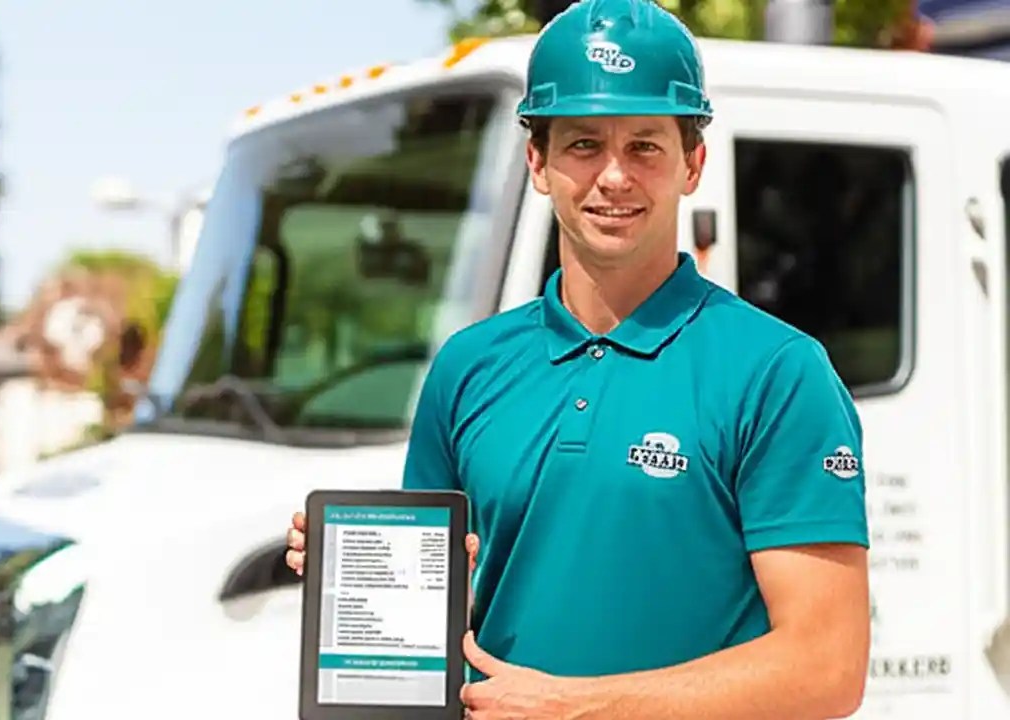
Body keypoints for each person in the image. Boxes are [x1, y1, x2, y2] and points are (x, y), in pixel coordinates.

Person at [285, 0, 871, 717]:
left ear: (693, 163)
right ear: (538, 161)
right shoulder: (467, 367)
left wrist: (579, 708)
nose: (614, 177)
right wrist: (364, 575)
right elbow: (437, 635)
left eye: (645, 146)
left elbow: (826, 666)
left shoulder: (777, 372)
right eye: (584, 144)